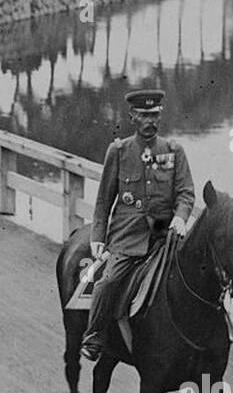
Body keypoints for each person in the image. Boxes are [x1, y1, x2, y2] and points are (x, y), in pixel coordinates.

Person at [78, 88, 195, 364]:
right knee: (108, 282)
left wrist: (180, 217)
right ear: (132, 116)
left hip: (165, 237)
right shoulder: (118, 151)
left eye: (154, 115)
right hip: (127, 239)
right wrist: (98, 235)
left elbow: (186, 193)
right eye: (144, 115)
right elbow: (103, 201)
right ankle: (94, 336)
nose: (150, 120)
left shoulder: (173, 151)